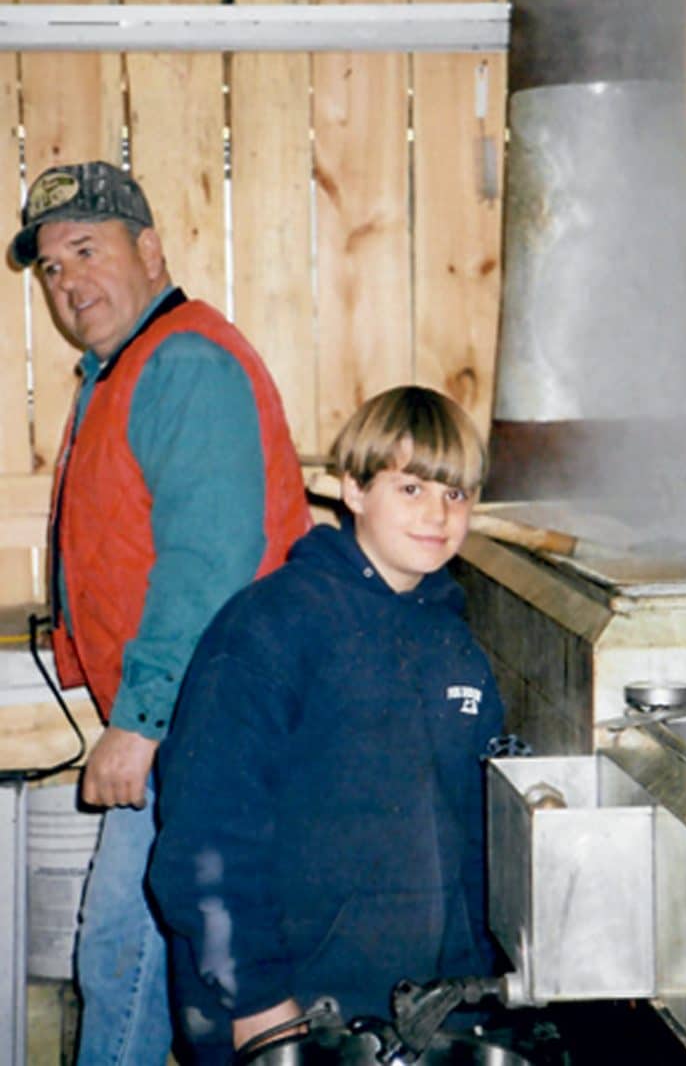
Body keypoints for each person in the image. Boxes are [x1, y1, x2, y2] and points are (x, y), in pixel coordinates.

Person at [9, 160, 312, 1065]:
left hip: (205, 719)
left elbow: (206, 564)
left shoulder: (180, 363)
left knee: (125, 953)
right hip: (194, 715)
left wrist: (138, 722)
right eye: (52, 268)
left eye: (87, 250)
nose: (69, 283)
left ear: (150, 250)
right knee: (153, 960)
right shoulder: (124, 368)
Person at [149, 384, 506, 1063]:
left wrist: (473, 986)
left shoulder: (458, 651)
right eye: (411, 489)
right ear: (353, 489)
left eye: (456, 494)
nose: (437, 514)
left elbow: (471, 840)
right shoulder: (272, 626)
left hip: (417, 1011)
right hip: (291, 1006)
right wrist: (253, 997)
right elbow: (205, 829)